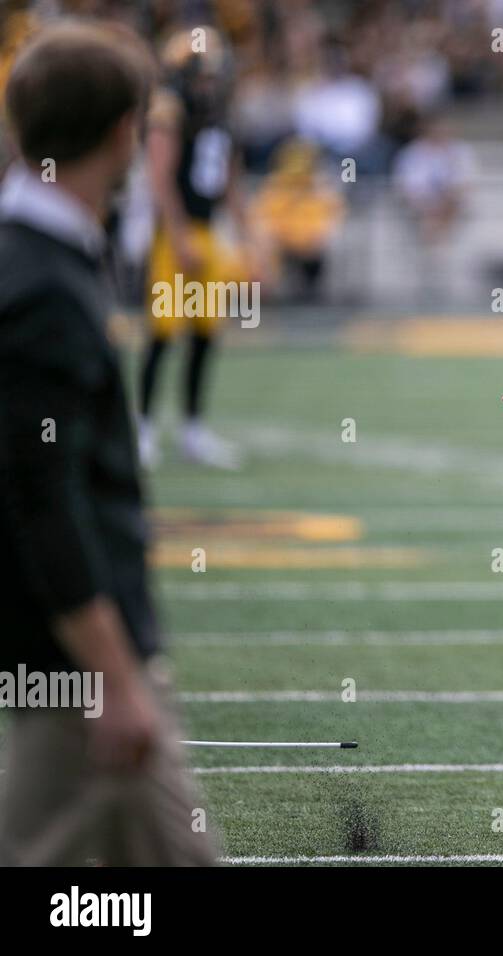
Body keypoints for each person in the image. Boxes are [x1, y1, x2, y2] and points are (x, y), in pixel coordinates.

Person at [0, 21, 217, 866]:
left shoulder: (46, 254)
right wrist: (115, 676)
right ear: (125, 132)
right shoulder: (43, 282)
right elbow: (40, 496)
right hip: (80, 660)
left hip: (79, 655)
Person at [137, 26, 251, 470]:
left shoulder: (220, 115)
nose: (208, 82)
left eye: (212, 74)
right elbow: (159, 175)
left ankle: (192, 431)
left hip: (208, 233)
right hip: (175, 233)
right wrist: (179, 232)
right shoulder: (170, 112)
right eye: (201, 73)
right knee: (164, 333)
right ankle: (144, 428)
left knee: (205, 334)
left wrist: (249, 237)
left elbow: (230, 183)